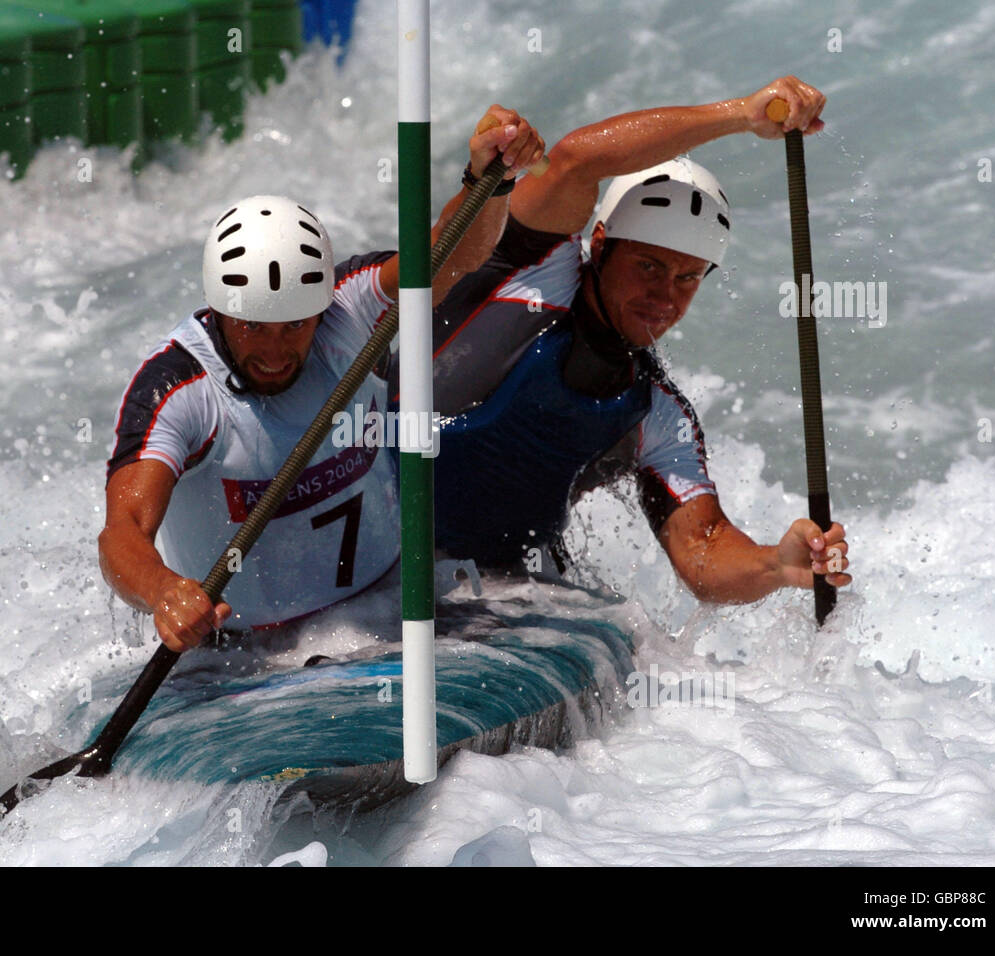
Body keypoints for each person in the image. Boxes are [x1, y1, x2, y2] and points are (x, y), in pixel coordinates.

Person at [99, 106, 547, 651]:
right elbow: (122, 534)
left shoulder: (350, 308)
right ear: (218, 312)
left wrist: (489, 180)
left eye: (295, 326)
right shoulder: (177, 390)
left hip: (391, 607)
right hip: (246, 653)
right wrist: (165, 591)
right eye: (253, 328)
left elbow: (456, 255)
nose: (274, 350)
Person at [423, 77, 852, 604]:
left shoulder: (656, 414)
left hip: (483, 588)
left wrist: (776, 565)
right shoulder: (524, 263)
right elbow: (576, 161)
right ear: (599, 245)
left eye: (688, 277)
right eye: (648, 266)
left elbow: (704, 549)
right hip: (348, 542)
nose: (664, 296)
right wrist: (742, 114)